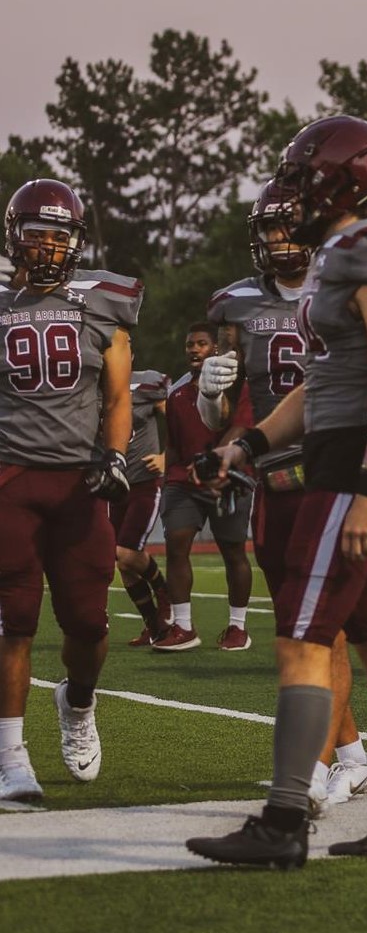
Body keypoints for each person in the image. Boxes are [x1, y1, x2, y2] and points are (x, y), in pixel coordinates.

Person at [187, 115, 367, 867]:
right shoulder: (343, 250)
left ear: (342, 181)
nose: (294, 194)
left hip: (352, 467)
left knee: (304, 637)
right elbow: (324, 379)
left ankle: (282, 821)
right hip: (340, 452)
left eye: (304, 179)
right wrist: (245, 442)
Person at [0, 179, 141, 805]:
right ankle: (10, 758)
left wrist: (114, 455)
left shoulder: (104, 302)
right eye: (38, 234)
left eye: (61, 235)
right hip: (10, 479)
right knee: (14, 620)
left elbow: (117, 396)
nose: (49, 246)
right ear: (15, 238)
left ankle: (77, 701)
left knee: (87, 622)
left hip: (81, 482)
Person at [152, 323, 256, 652]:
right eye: (189, 344)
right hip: (185, 479)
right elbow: (174, 444)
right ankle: (183, 626)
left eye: (201, 343)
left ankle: (238, 627)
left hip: (230, 478)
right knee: (176, 541)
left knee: (233, 550)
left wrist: (213, 462)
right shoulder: (177, 391)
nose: (194, 349)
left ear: (215, 349)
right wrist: (164, 472)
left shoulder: (238, 384)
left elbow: (243, 428)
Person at [113, 367, 169, 646]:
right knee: (124, 564)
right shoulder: (92, 386)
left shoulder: (146, 382)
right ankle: (155, 627)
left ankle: (164, 591)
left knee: (125, 553)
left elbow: (180, 420)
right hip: (115, 486)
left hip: (144, 482)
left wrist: (166, 457)